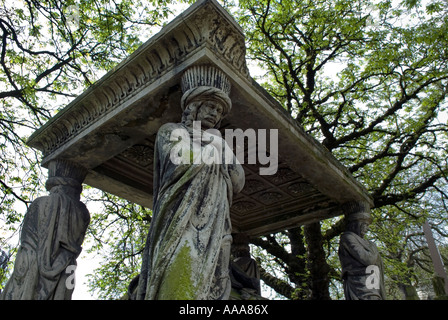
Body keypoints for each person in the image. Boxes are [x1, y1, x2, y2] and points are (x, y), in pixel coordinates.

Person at [136, 65, 245, 300]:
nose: (215, 113)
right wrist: (212, 146)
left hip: (216, 225)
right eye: (211, 106)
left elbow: (238, 182)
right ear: (194, 106)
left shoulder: (219, 142)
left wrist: (221, 147)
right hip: (179, 222)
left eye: (219, 110)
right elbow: (180, 162)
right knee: (178, 284)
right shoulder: (171, 131)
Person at [338, 209, 386, 300]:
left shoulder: (366, 242)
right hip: (360, 282)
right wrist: (374, 249)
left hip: (372, 278)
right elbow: (368, 259)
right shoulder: (348, 237)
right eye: (365, 225)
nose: (367, 228)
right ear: (357, 224)